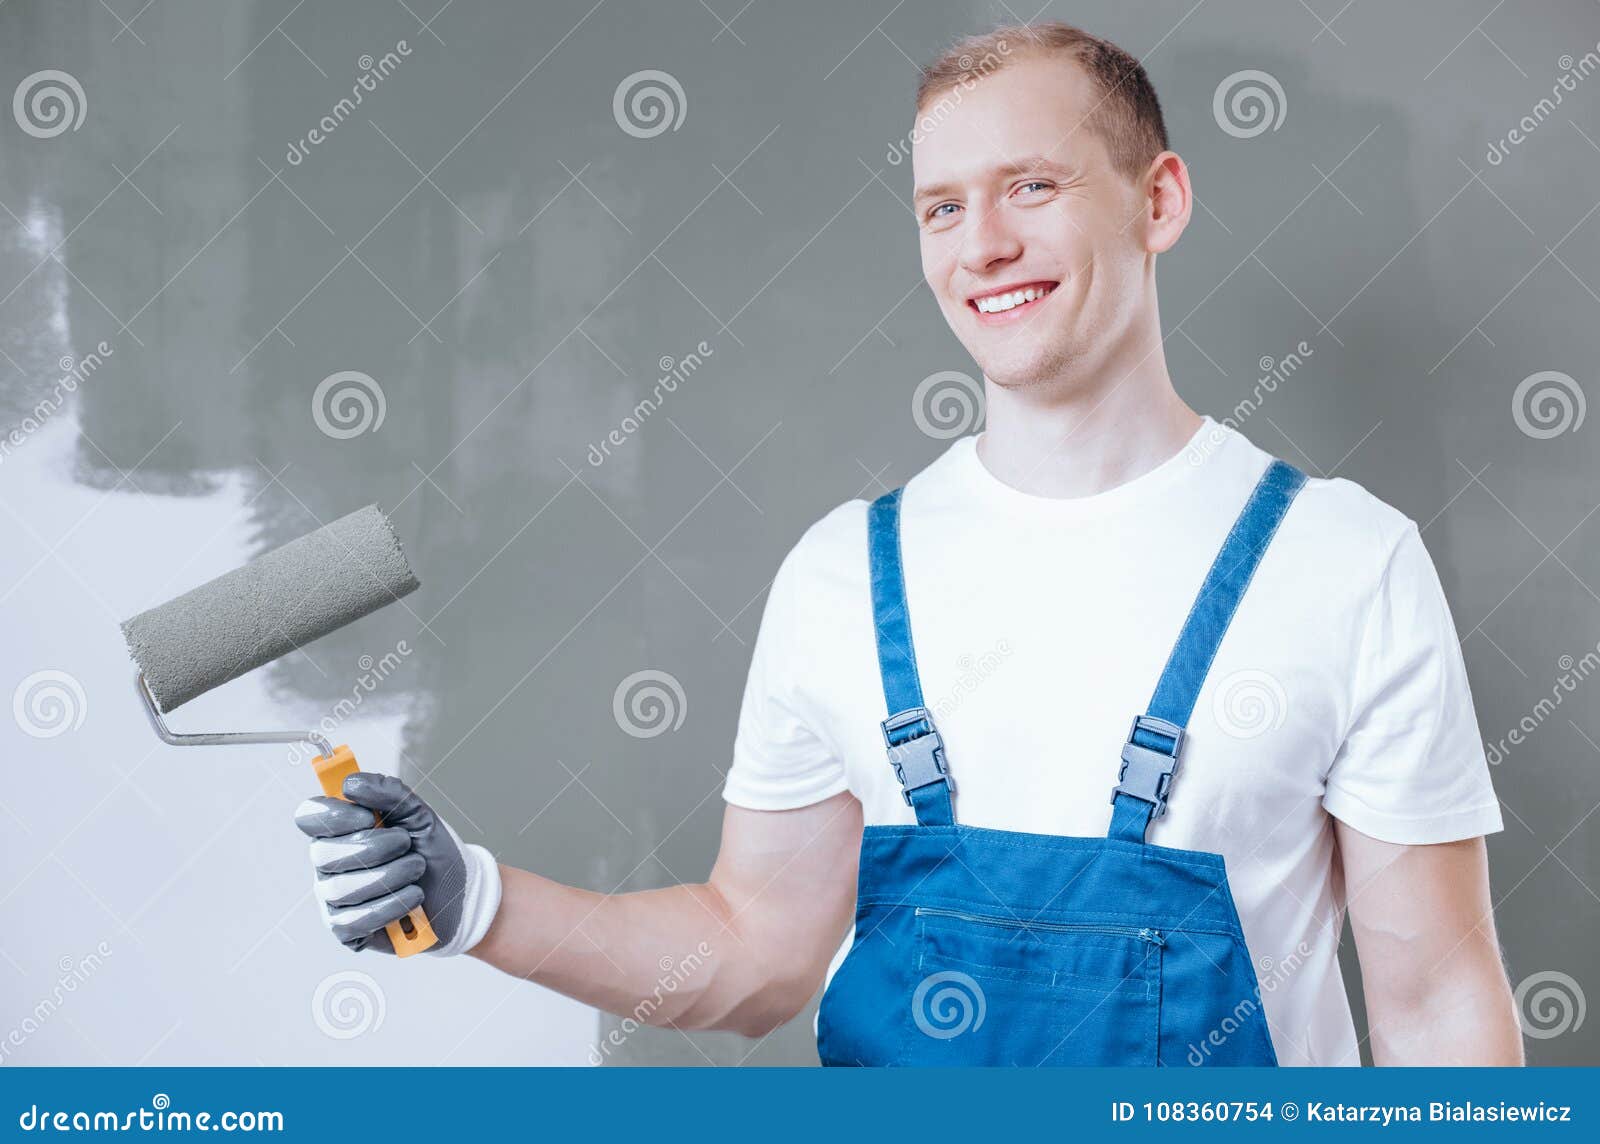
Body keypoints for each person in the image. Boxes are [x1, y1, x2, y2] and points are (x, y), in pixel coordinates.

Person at [292, 21, 1522, 1066]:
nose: (979, 242)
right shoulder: (841, 574)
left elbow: (1436, 1008)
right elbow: (752, 951)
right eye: (942, 205)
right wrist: (480, 901)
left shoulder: (1343, 562)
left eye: (1030, 186)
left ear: (1160, 200)